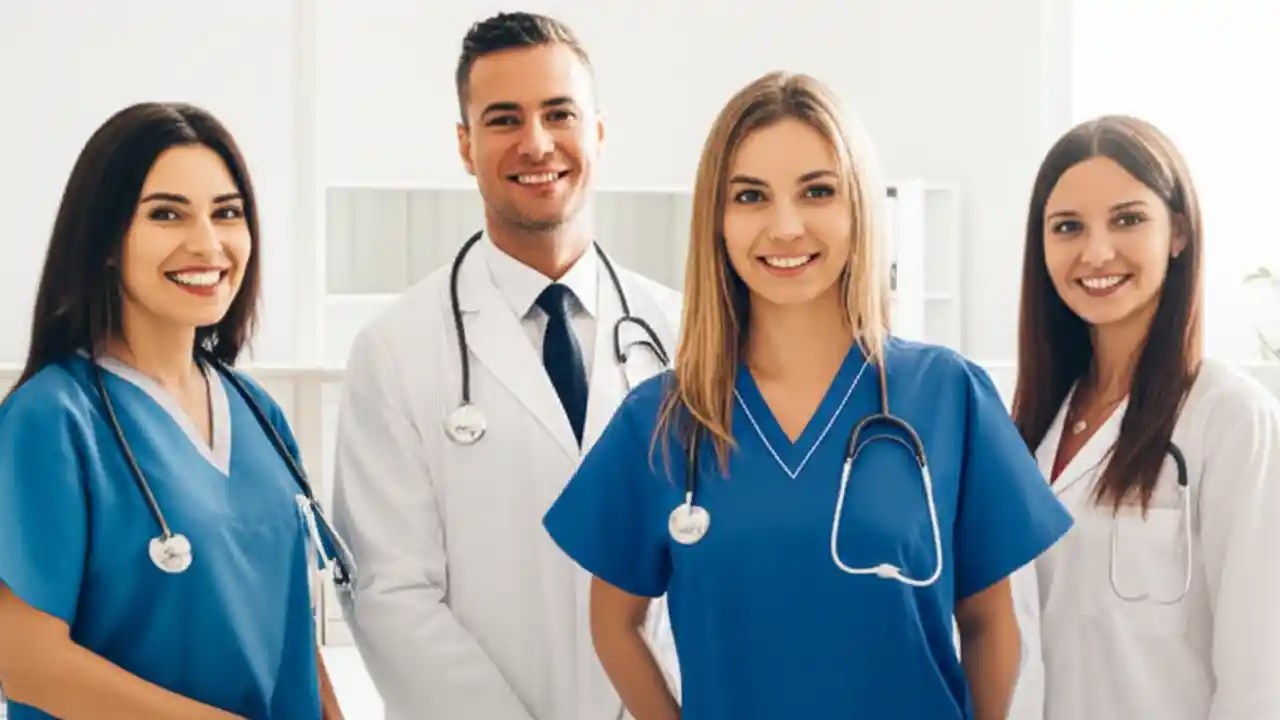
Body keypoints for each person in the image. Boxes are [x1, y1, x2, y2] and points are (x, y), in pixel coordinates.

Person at [540, 71, 1074, 720]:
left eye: (817, 191)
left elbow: (990, 623)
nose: (785, 226)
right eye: (751, 196)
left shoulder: (949, 396)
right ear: (718, 218)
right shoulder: (660, 421)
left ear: (858, 207)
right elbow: (613, 624)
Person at [330, 11, 682, 720]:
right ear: (465, 145)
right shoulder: (396, 350)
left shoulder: (685, 334)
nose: (537, 143)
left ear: (599, 132)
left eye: (560, 114)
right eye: (503, 119)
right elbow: (389, 594)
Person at [0, 103, 348, 719]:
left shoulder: (258, 412)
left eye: (227, 213)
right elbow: (23, 661)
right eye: (167, 214)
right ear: (105, 240)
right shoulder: (51, 418)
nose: (207, 244)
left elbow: (286, 624)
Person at [1008, 115, 1280, 719]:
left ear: (1177, 232)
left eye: (1128, 219)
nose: (1096, 251)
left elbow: (1260, 685)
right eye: (1067, 227)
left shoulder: (1233, 422)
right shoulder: (1029, 425)